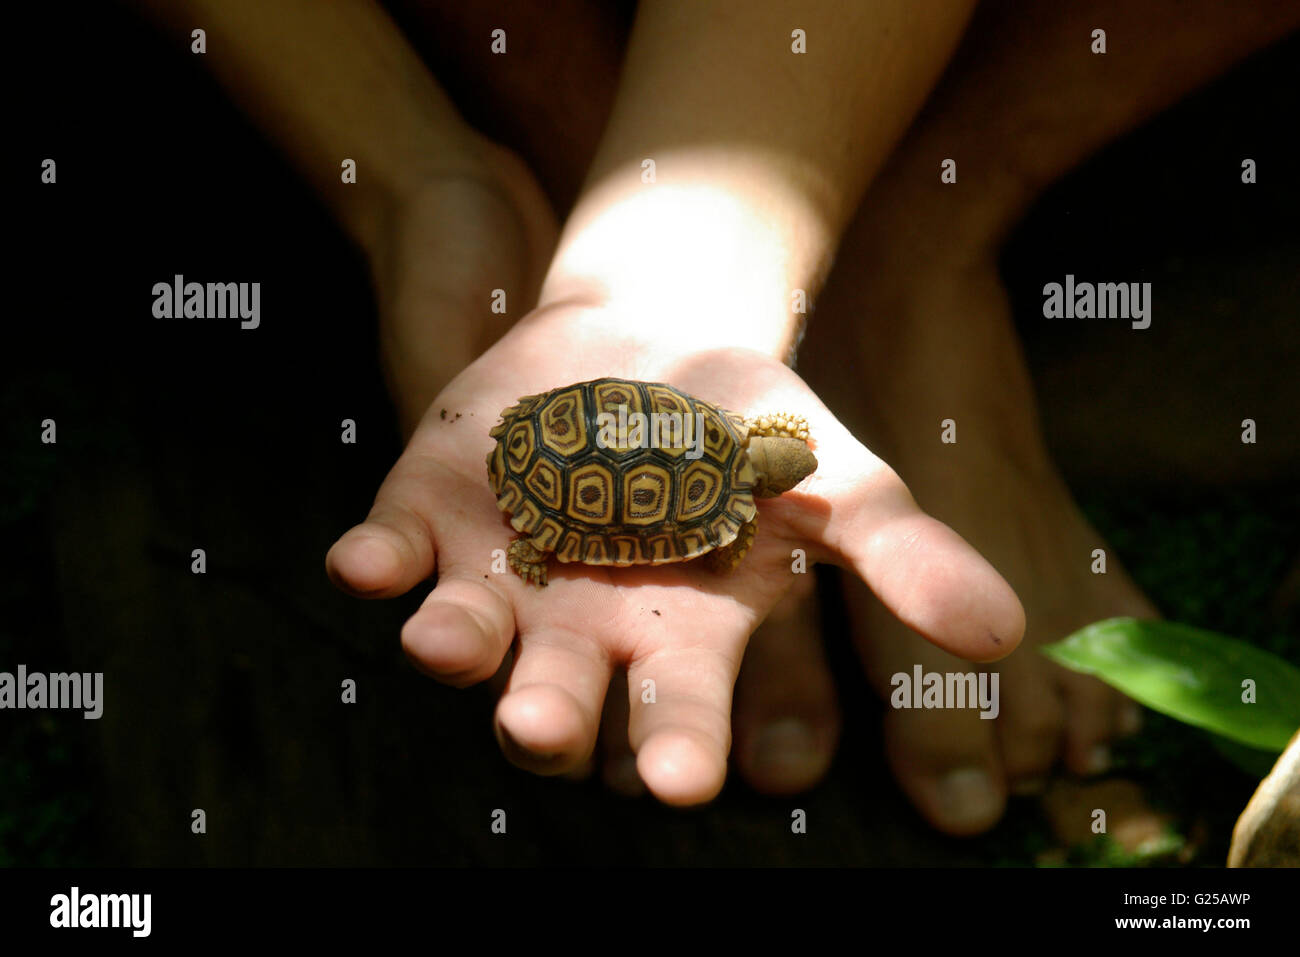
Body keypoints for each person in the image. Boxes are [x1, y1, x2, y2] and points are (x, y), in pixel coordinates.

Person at [139, 0, 1300, 832]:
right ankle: (590, 148)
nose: (781, 458)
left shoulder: (712, 479)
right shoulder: (717, 501)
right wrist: (403, 173)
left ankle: (901, 207)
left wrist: (673, 285)